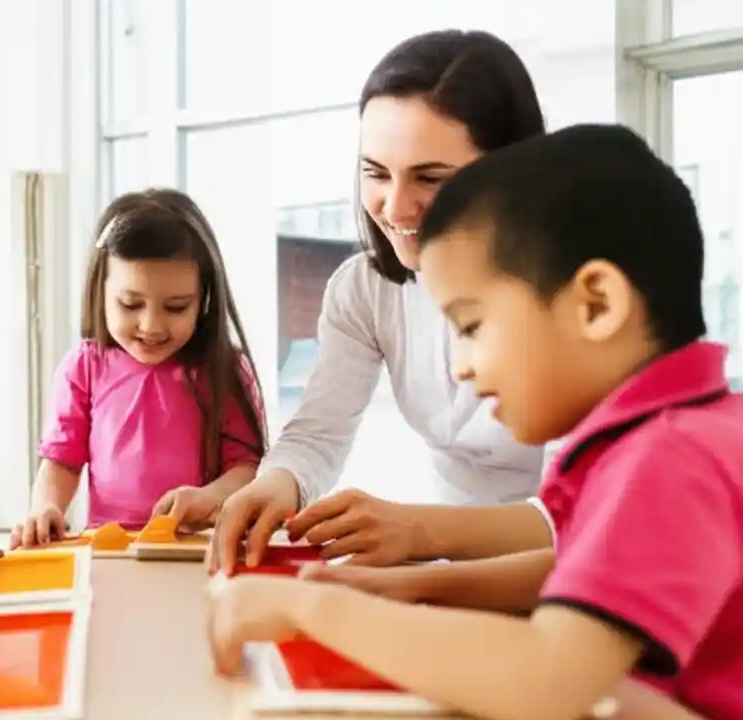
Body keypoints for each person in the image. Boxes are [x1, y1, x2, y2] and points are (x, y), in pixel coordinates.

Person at [208, 124, 743, 719]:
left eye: (470, 327)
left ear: (595, 304)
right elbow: (583, 571)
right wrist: (414, 588)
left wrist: (310, 611)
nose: (462, 368)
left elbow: (548, 679)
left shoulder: (675, 458)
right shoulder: (689, 429)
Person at [213, 29, 562, 574]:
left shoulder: (575, 296)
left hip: (564, 570)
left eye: (430, 178)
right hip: (448, 562)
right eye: (375, 173)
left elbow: (587, 513)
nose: (396, 207)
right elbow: (319, 432)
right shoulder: (364, 289)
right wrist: (275, 485)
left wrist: (415, 532)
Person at [12, 189, 266, 547]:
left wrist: (210, 496)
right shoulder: (84, 367)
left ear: (204, 298)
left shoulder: (223, 370)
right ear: (101, 290)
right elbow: (62, 461)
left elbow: (247, 467)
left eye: (176, 307)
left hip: (198, 545)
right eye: (130, 304)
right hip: (108, 548)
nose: (151, 326)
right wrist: (45, 508)